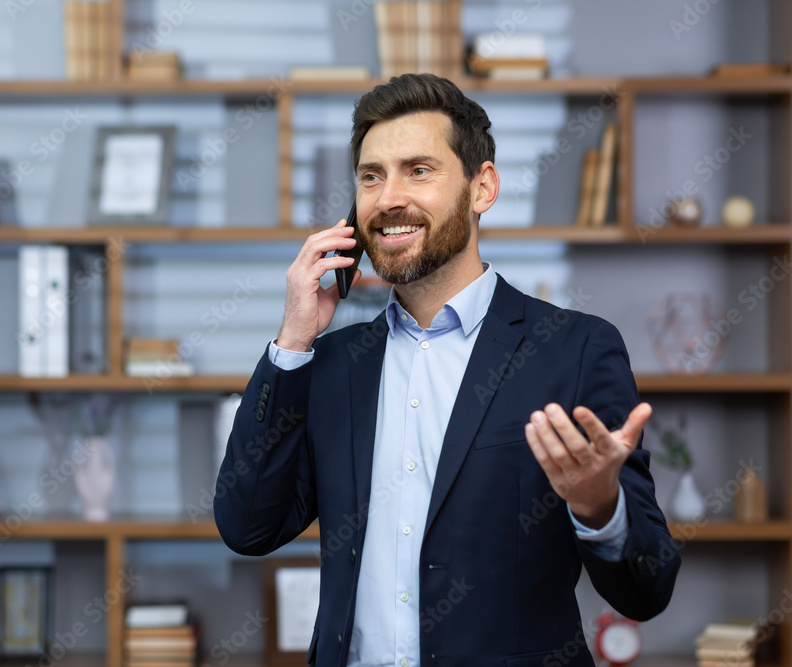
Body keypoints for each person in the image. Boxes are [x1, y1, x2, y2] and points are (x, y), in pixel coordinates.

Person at [214, 73, 679, 667]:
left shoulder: (576, 350)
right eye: (371, 176)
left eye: (419, 170)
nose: (388, 199)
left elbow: (647, 587)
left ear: (482, 187)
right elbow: (247, 526)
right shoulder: (330, 364)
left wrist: (599, 507)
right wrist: (292, 340)